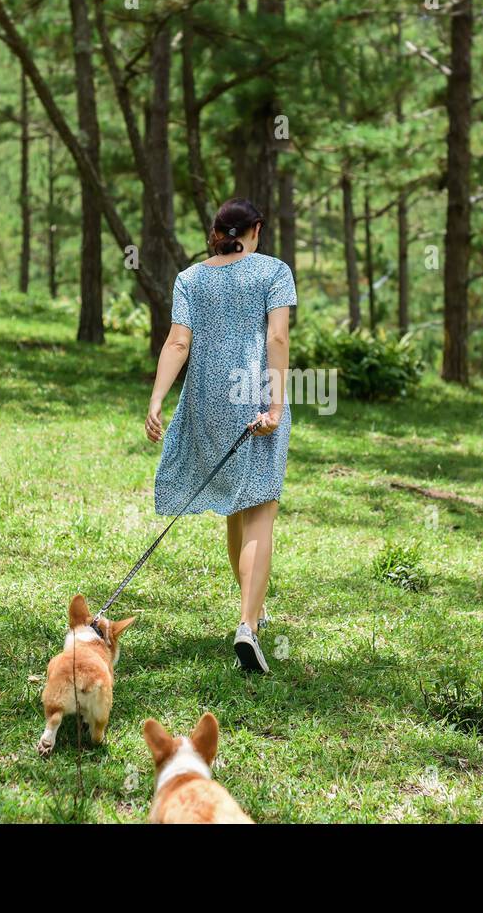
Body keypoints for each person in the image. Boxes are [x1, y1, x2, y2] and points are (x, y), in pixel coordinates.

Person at [144, 197, 296, 673]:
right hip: (251, 394)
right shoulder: (274, 271)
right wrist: (274, 402)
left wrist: (156, 400)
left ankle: (255, 610)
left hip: (207, 401)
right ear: (254, 229)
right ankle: (247, 625)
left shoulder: (190, 278)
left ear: (215, 232)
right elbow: (277, 339)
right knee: (260, 511)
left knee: (236, 506)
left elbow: (178, 341)